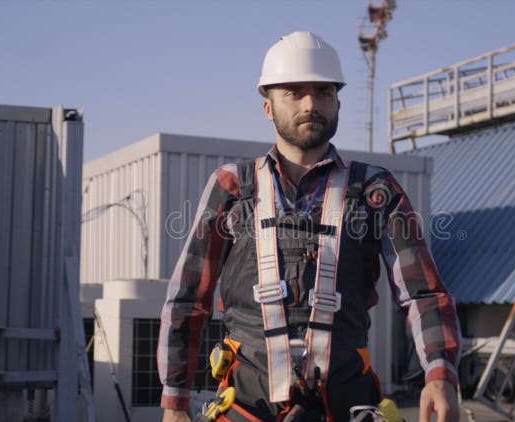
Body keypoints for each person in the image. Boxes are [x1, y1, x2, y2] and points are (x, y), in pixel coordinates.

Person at [158, 31, 461, 422]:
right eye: (295, 93)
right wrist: (174, 404)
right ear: (267, 107)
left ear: (337, 102)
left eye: (322, 93)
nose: (310, 104)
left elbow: (423, 293)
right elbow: (187, 300)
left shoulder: (376, 191)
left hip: (345, 404)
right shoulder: (231, 188)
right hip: (249, 406)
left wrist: (440, 375)